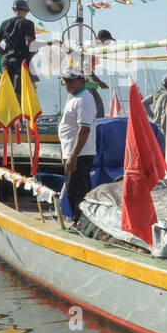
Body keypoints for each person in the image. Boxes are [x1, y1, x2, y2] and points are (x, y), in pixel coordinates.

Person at [58, 69, 97, 224]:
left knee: (78, 191)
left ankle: (81, 222)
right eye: (65, 81)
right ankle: (79, 221)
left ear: (81, 81)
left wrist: (73, 155)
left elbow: (84, 129)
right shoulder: (75, 98)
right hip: (72, 152)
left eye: (70, 80)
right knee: (72, 190)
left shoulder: (84, 100)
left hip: (80, 154)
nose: (66, 83)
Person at [0, 0, 36, 97]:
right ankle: (20, 111)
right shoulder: (28, 23)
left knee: (7, 91)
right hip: (21, 61)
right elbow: (28, 43)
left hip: (6, 61)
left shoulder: (4, 23)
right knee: (19, 91)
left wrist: (5, 54)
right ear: (28, 10)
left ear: (13, 9)